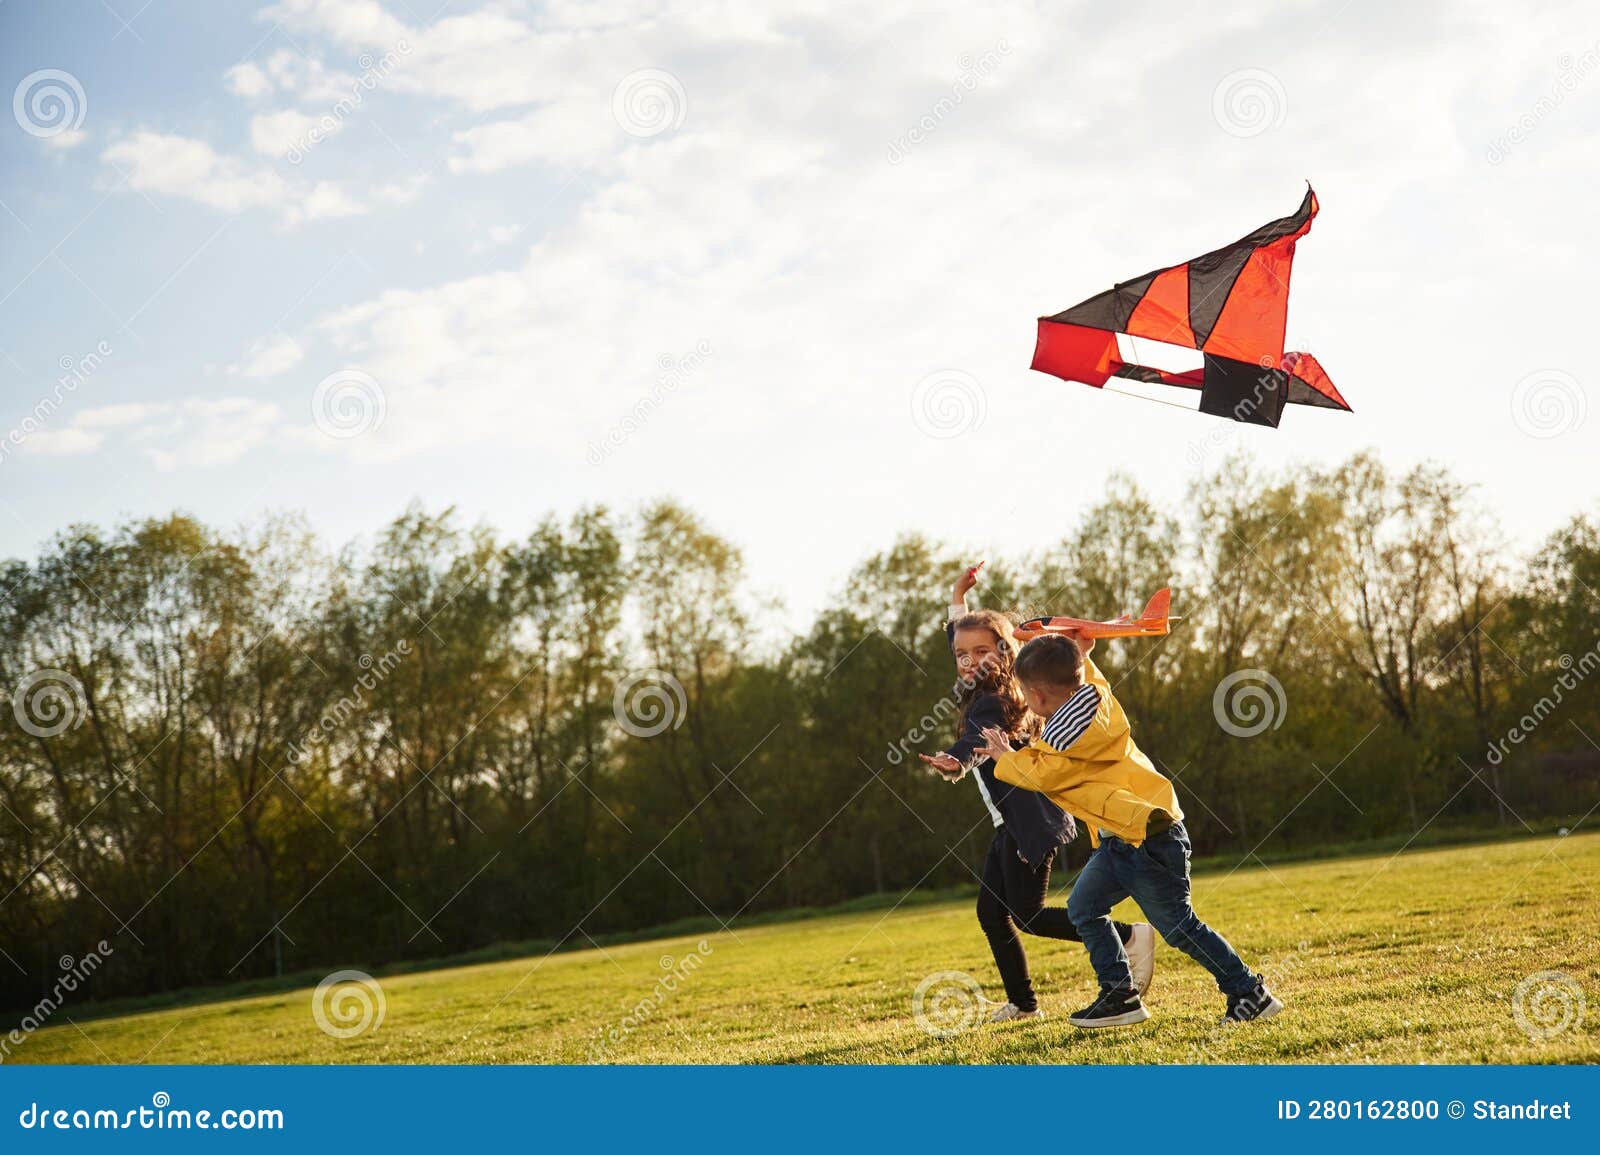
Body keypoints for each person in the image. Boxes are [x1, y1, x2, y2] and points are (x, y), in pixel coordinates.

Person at [977, 631, 1283, 1028]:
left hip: (1148, 835)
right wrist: (1082, 651)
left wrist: (1005, 755)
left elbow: (1043, 774)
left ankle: (1249, 993)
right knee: (1084, 908)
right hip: (1120, 837)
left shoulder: (1066, 737)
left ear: (1035, 697)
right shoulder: (1096, 697)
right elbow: (1089, 674)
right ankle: (1120, 996)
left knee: (1178, 927)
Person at [919, 564, 1154, 1023]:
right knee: (991, 912)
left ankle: (1128, 936)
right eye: (961, 654)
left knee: (1026, 915)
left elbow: (977, 740)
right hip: (1013, 824)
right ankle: (1023, 1004)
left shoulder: (995, 699)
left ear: (1005, 652)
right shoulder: (991, 684)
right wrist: (957, 597)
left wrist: (956, 760)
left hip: (1027, 826)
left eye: (981, 652)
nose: (968, 661)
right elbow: (959, 634)